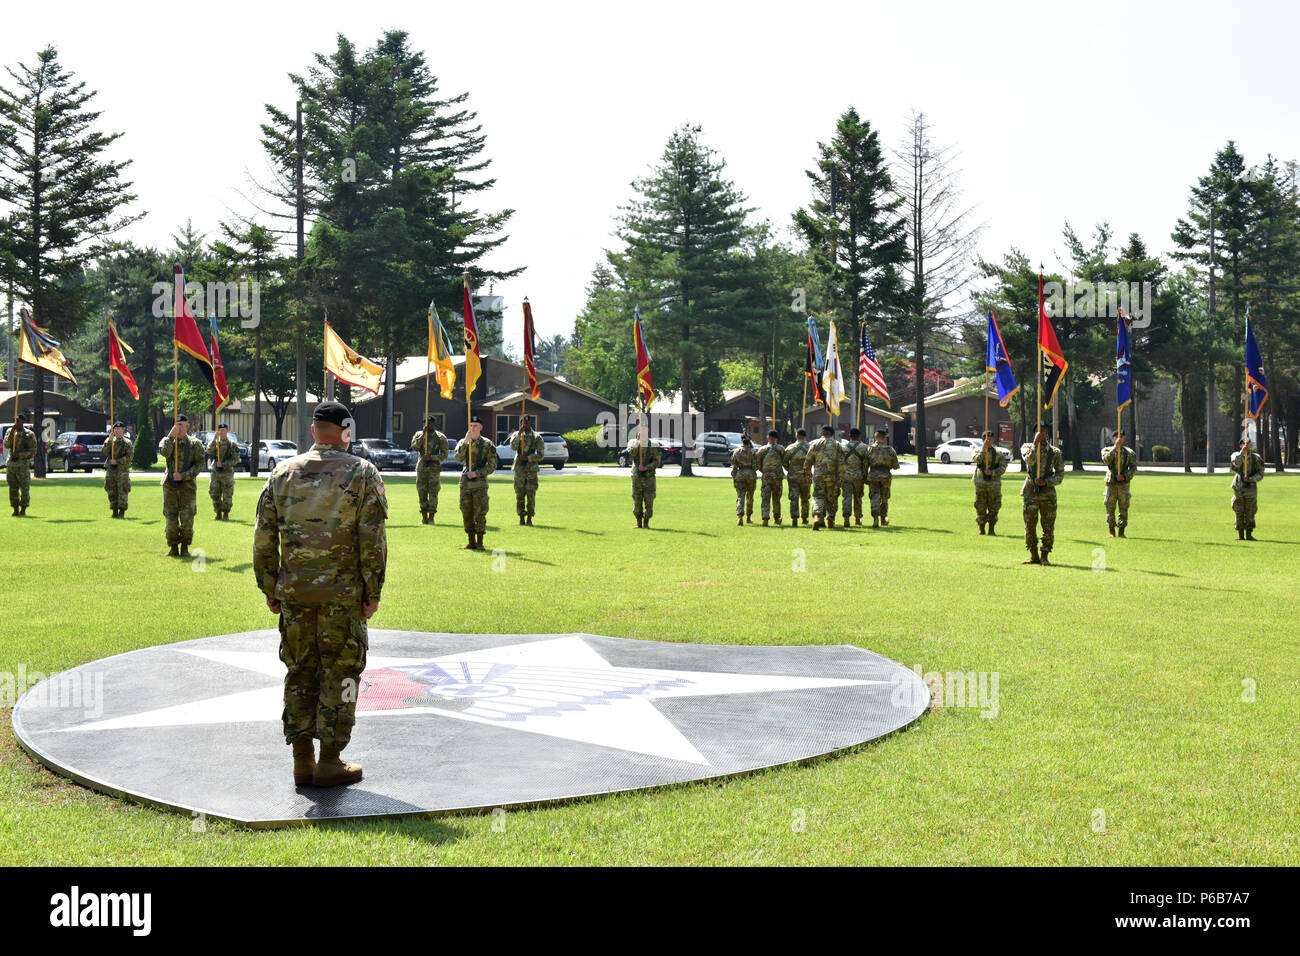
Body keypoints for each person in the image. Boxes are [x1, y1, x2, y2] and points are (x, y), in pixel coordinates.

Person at [253, 400, 387, 788]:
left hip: (295, 594)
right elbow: (372, 541)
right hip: (342, 597)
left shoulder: (282, 473)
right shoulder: (362, 473)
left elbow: (264, 539)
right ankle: (330, 759)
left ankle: (301, 760)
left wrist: (269, 586)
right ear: (347, 432)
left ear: (313, 431)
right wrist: (372, 591)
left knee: (300, 672)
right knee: (340, 674)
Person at [158, 415, 206, 557]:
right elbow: (164, 453)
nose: (179, 427)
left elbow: (199, 465)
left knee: (187, 518)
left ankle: (185, 547)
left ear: (187, 426)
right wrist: (171, 436)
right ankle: (173, 547)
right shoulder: (167, 441)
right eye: (176, 424)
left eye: (182, 424)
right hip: (170, 486)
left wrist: (184, 475)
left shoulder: (195, 444)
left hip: (187, 487)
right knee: (170, 518)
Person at [1020, 421, 1065, 565]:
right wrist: (1035, 444)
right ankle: (1033, 555)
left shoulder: (1055, 453)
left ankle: (1045, 556)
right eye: (1039, 431)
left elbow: (1060, 475)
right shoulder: (1027, 447)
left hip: (1048, 495)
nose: (1042, 433)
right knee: (1030, 525)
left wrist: (1046, 481)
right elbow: (1029, 461)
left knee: (1048, 526)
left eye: (1044, 431)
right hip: (1030, 493)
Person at [454, 415, 498, 550]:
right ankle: (471, 541)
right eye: (471, 425)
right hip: (465, 483)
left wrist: (477, 473)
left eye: (475, 426)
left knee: (480, 512)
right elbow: (458, 457)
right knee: (466, 511)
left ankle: (480, 542)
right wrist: (464, 442)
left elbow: (492, 465)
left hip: (480, 484)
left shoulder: (487, 444)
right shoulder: (464, 442)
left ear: (481, 428)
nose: (472, 428)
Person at [410, 415, 449, 525]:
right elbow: (415, 447)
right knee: (421, 492)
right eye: (426, 423)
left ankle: (431, 517)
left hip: (434, 469)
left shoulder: (440, 437)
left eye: (430, 423)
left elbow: (444, 454)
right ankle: (424, 517)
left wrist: (432, 457)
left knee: (433, 493)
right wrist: (423, 435)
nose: (428, 425)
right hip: (421, 468)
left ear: (434, 424)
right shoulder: (419, 435)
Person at [804, 424, 844, 530]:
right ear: (832, 434)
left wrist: (808, 475)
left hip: (818, 476)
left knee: (818, 497)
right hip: (832, 477)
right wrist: (840, 479)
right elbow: (841, 463)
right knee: (832, 498)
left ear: (822, 433)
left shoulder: (814, 444)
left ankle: (817, 517)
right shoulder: (837, 445)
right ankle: (830, 520)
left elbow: (807, 461)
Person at [509, 416, 546, 525]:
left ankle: (529, 518)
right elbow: (513, 447)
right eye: (523, 422)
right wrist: (519, 435)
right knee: (519, 494)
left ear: (530, 423)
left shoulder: (537, 437)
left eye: (527, 422)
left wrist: (529, 458)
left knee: (531, 494)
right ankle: (521, 518)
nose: (525, 424)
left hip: (531, 470)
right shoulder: (517, 435)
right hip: (519, 469)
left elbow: (541, 455)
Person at [1100, 429, 1137, 537]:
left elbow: (1134, 468)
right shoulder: (1106, 450)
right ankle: (1111, 531)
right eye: (1117, 437)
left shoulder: (1129, 453)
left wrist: (1125, 476)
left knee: (1124, 507)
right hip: (1111, 483)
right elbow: (1106, 460)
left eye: (1122, 437)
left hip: (1123, 484)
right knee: (1110, 507)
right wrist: (1115, 448)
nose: (1119, 439)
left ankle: (1121, 531)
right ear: (1113, 438)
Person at [971, 430, 1007, 535]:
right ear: (983, 440)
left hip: (994, 485)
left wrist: (992, 472)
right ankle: (981, 528)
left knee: (994, 506)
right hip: (981, 484)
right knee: (980, 506)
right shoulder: (977, 450)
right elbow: (977, 460)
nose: (989, 441)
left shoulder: (998, 453)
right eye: (987, 439)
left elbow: (1003, 468)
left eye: (991, 439)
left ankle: (991, 528)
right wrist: (983, 449)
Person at [626, 425, 661, 528]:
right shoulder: (633, 443)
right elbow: (632, 452)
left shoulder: (653, 445)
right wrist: (638, 441)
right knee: (637, 501)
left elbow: (657, 461)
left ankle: (646, 523)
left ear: (648, 431)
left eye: (645, 430)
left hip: (649, 477)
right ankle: (638, 523)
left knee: (649, 501)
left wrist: (646, 467)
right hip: (637, 477)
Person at [1230, 438, 1265, 541]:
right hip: (1239, 487)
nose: (1246, 446)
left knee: (1250, 510)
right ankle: (1240, 534)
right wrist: (1242, 453)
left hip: (1251, 488)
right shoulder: (1236, 455)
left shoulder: (1256, 458)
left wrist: (1251, 479)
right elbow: (1236, 463)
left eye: (1248, 444)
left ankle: (1249, 534)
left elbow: (1260, 473)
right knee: (1239, 510)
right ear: (1240, 445)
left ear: (1251, 445)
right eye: (1243, 444)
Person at [865, 427, 900, 527]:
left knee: (874, 498)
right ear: (884, 438)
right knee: (884, 499)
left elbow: (865, 465)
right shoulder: (890, 450)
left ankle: (875, 518)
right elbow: (896, 466)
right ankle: (883, 518)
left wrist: (865, 477)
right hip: (885, 477)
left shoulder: (869, 449)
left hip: (873, 477)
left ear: (875, 437)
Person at [4, 412, 38, 516]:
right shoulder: (10, 431)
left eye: (18, 420)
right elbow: (6, 444)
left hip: (22, 466)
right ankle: (15, 509)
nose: (16, 422)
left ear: (23, 421)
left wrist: (20, 455)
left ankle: (23, 509)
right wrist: (11, 433)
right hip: (11, 466)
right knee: (13, 489)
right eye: (14, 420)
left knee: (24, 489)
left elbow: (33, 451)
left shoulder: (29, 434)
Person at [753, 430, 786, 526]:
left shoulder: (762, 449)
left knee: (765, 498)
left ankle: (765, 519)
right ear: (777, 438)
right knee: (776, 498)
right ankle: (776, 518)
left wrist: (764, 471)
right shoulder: (781, 449)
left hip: (766, 476)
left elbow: (758, 463)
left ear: (768, 437)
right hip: (777, 477)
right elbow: (785, 462)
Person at [206, 423, 238, 520]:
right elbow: (208, 450)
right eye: (219, 430)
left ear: (227, 431)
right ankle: (218, 513)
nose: (221, 432)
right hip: (215, 472)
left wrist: (224, 464)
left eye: (223, 430)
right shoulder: (216, 443)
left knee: (227, 494)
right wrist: (214, 439)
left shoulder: (232, 444)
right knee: (214, 493)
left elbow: (235, 459)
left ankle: (226, 514)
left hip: (227, 473)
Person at [782, 428, 812, 526]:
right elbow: (814, 460)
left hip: (793, 476)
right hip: (805, 476)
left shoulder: (790, 447)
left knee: (794, 498)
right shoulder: (810, 447)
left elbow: (785, 462)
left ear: (796, 436)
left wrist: (790, 470)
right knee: (805, 498)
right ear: (805, 436)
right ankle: (804, 518)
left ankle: (794, 519)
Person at [104, 421, 134, 518]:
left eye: (119, 429)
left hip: (122, 471)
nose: (117, 431)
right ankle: (114, 511)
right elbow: (104, 451)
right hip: (111, 471)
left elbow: (129, 457)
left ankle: (122, 512)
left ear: (123, 430)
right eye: (115, 429)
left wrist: (117, 461)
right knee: (111, 491)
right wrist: (109, 441)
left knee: (122, 491)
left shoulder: (127, 443)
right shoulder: (110, 440)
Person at [840, 427, 868, 526]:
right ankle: (857, 519)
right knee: (858, 498)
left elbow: (840, 463)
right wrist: (865, 476)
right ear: (859, 436)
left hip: (846, 477)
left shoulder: (843, 447)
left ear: (850, 436)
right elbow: (865, 463)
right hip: (858, 477)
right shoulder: (864, 447)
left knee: (846, 497)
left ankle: (846, 518)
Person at [730, 433, 757, 525]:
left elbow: (734, 467)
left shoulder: (737, 451)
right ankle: (748, 517)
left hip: (740, 475)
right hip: (751, 475)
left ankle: (740, 517)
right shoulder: (753, 452)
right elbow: (755, 466)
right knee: (750, 497)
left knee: (740, 497)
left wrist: (734, 477)